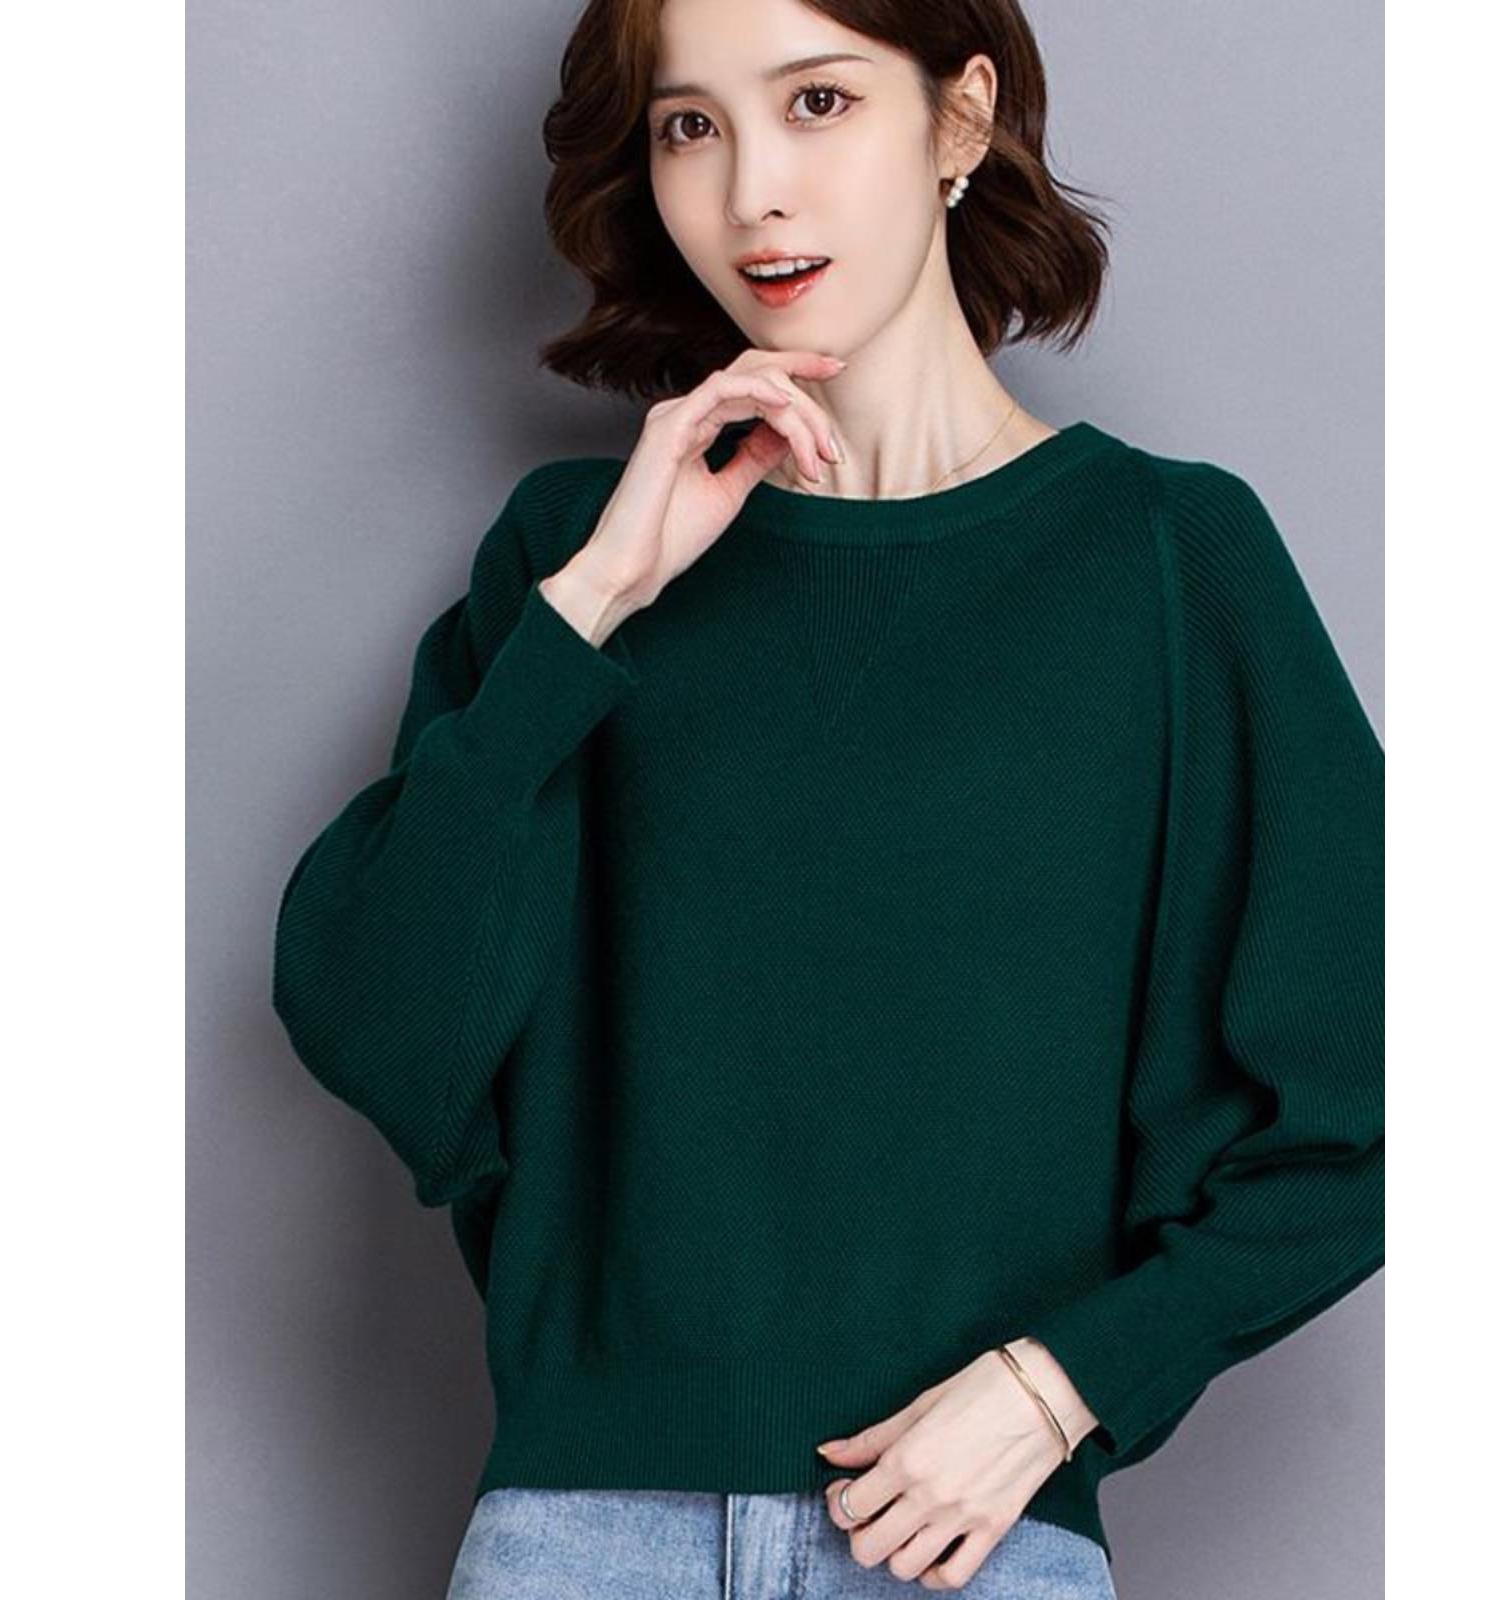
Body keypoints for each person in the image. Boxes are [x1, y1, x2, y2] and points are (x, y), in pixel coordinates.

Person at [270, 1, 1384, 1595]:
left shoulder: (1161, 563)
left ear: (959, 119)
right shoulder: (573, 557)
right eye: (690, 126)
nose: (752, 193)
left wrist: (1062, 1388)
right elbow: (374, 1020)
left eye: (817, 102)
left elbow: (1376, 1099)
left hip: (964, 1546)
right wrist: (596, 603)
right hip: (585, 1538)